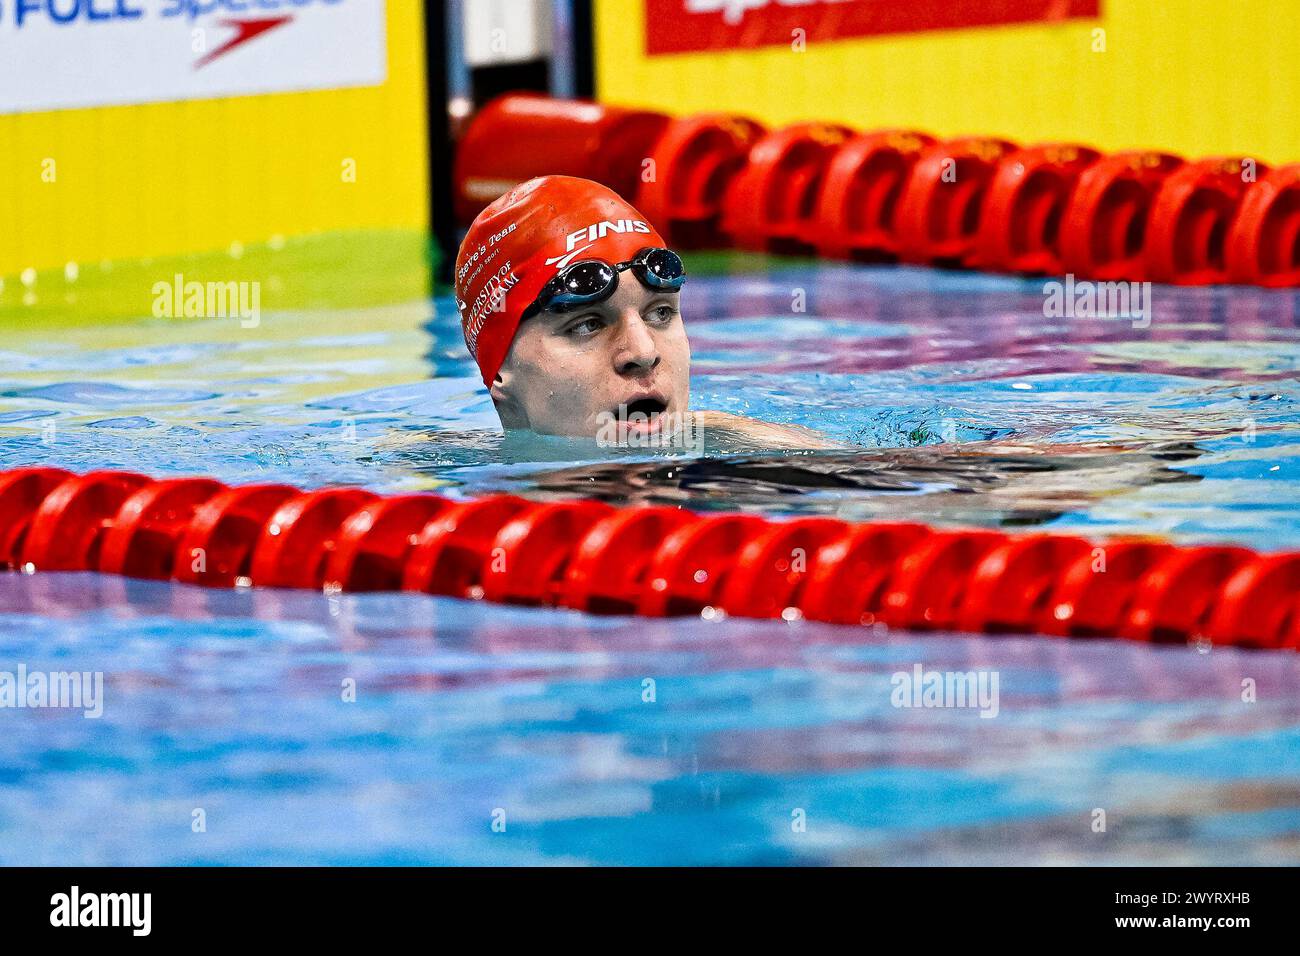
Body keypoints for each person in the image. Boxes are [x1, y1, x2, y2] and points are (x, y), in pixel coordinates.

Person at [454, 175, 838, 451]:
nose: (642, 353)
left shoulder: (775, 467)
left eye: (660, 314)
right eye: (587, 324)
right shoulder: (433, 487)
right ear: (499, 371)